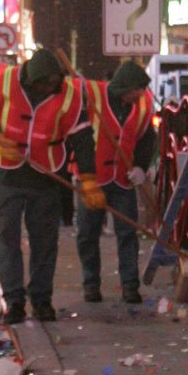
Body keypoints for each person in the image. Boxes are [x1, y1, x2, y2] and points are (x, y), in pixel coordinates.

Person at [0, 48, 88, 324]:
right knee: (7, 240)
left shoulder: (68, 94)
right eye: (44, 85)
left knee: (44, 243)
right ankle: (14, 301)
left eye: (53, 85)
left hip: (46, 178)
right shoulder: (4, 82)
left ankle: (42, 300)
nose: (49, 90)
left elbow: (82, 138)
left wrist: (90, 178)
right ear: (31, 79)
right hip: (7, 177)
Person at [69, 60, 156, 304]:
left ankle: (130, 286)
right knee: (87, 234)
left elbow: (147, 139)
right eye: (135, 91)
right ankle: (91, 284)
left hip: (122, 180)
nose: (139, 96)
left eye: (141, 91)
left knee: (127, 233)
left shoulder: (142, 106)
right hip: (92, 178)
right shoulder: (93, 96)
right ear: (124, 87)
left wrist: (141, 165)